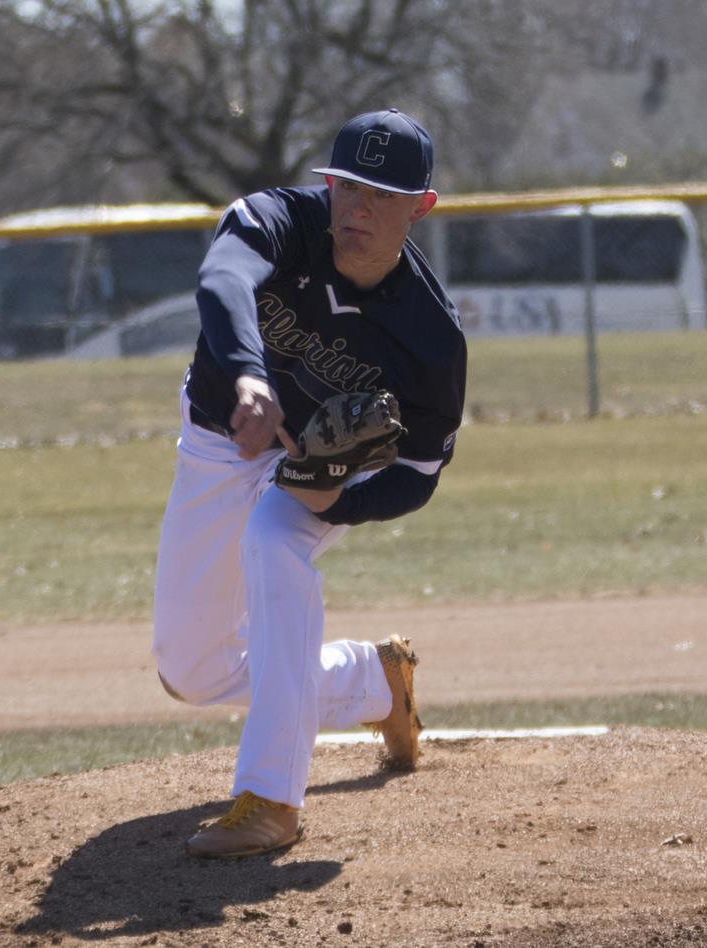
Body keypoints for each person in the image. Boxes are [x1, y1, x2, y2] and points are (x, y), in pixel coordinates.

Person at [150, 108, 468, 859]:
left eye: (383, 196)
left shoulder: (432, 338)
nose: (357, 209)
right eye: (347, 187)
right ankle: (372, 681)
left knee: (273, 541)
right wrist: (250, 379)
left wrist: (340, 500)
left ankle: (270, 800)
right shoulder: (277, 221)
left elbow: (420, 473)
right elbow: (223, 279)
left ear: (420, 208)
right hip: (222, 437)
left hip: (315, 469)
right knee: (193, 673)